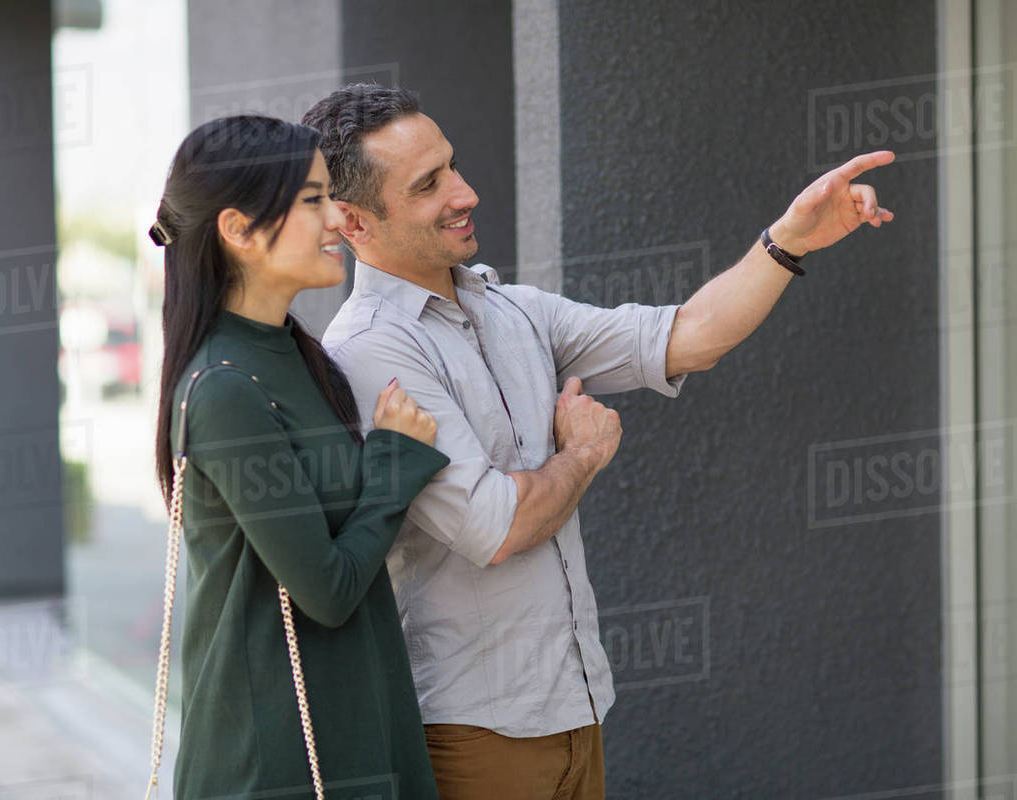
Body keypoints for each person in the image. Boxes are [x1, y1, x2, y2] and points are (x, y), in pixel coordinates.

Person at [303, 84, 894, 800]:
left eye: (452, 166)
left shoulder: (510, 309)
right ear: (355, 222)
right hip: (474, 734)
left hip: (575, 711)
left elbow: (689, 337)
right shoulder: (372, 348)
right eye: (429, 185)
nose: (465, 192)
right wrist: (582, 455)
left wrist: (788, 240)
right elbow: (497, 525)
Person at [152, 114, 450, 800]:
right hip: (277, 757)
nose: (335, 220)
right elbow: (327, 589)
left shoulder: (293, 352)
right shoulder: (226, 386)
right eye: (312, 200)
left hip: (350, 724)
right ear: (238, 229)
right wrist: (395, 463)